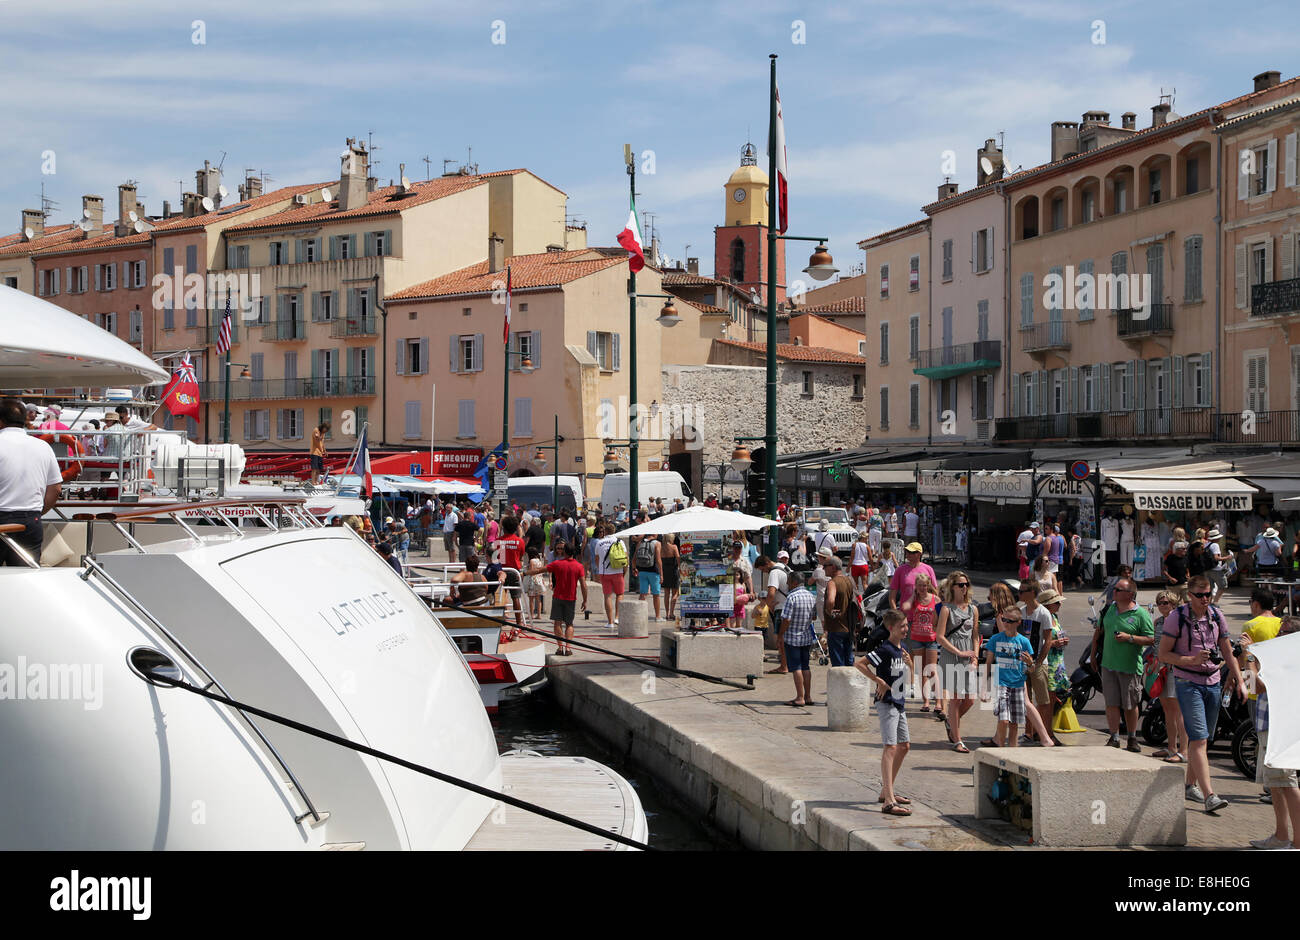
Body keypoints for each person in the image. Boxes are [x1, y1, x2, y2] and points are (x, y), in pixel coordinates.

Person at [1158, 575, 1248, 815]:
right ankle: (1209, 795)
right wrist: (1192, 660)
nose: (1205, 599)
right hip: (1188, 682)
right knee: (1198, 739)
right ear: (1190, 595)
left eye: (1208, 594)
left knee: (1204, 740)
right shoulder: (1177, 618)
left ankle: (1189, 785)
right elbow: (1163, 655)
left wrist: (1240, 681)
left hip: (1214, 682)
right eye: (1200, 595)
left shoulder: (1216, 615)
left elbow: (1228, 652)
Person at [1241, 616, 1300, 848]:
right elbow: (1252, 687)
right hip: (1270, 725)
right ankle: (1281, 836)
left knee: (1286, 781)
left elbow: (1255, 686)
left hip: (1280, 728)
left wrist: (1249, 658)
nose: (1276, 637)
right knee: (1275, 782)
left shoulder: (1289, 659)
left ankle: (1296, 842)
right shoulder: (1284, 657)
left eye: (1282, 632)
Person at [859, 609, 913, 816]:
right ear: (891, 628)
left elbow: (909, 680)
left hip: (899, 702)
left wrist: (909, 664)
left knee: (904, 746)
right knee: (890, 747)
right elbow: (860, 664)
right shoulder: (885, 649)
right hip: (887, 703)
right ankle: (888, 801)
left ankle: (886, 790)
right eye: (902, 626)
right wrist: (878, 680)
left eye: (906, 625)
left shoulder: (902, 649)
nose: (906, 629)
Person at [1092, 576, 1153, 753]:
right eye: (1114, 589)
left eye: (1118, 590)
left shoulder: (1140, 614)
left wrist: (1130, 638)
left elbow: (1151, 639)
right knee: (1111, 702)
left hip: (1129, 667)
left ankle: (1132, 737)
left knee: (1130, 704)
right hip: (1108, 664)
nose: (1114, 592)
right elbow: (1099, 631)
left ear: (1129, 594)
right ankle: (1114, 737)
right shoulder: (1110, 609)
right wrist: (1093, 655)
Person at [0, 398, 63, 566]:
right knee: (26, 576)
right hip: (30, 519)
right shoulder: (42, 446)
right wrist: (37, 512)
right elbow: (56, 488)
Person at [980, 606, 1035, 748]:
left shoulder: (1023, 642)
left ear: (1018, 622)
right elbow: (988, 663)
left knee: (1014, 724)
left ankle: (1012, 753)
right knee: (1003, 720)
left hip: (1018, 685)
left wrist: (1030, 663)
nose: (1006, 623)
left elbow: (1032, 668)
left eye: (1010, 621)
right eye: (1004, 619)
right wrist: (983, 687)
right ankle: (1002, 750)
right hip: (1001, 684)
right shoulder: (995, 639)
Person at [935, 571, 978, 752]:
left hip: (967, 656)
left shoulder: (973, 609)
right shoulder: (946, 609)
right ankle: (957, 739)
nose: (964, 587)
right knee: (955, 698)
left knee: (969, 699)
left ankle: (952, 725)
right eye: (960, 584)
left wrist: (975, 656)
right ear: (952, 587)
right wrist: (958, 651)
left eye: (966, 584)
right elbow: (939, 637)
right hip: (951, 655)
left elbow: (975, 636)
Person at [1144, 591, 1188, 764]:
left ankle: (1183, 750)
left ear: (1174, 604)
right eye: (1160, 603)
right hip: (1160, 669)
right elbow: (1156, 646)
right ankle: (1171, 747)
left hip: (1174, 669)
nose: (1163, 605)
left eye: (1166, 602)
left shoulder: (1179, 621)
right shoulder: (1158, 622)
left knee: (1178, 711)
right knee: (1167, 710)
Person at [1019, 578, 1055, 744]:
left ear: (1032, 593)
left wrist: (1038, 662)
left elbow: (1048, 640)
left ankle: (1043, 733)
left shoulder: (1043, 613)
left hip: (1039, 662)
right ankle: (1028, 731)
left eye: (1022, 591)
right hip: (1023, 661)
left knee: (1043, 700)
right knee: (1026, 700)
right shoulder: (1021, 611)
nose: (1019, 594)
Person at [1036, 589, 1071, 745]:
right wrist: (1055, 643)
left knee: (1052, 699)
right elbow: (1039, 642)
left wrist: (1062, 641)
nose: (1060, 604)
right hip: (1048, 662)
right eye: (1057, 602)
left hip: (1057, 662)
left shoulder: (1054, 617)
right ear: (1049, 605)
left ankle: (1043, 730)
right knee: (1047, 700)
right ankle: (1046, 732)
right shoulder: (1044, 618)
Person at [778, 570, 818, 707]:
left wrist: (780, 634)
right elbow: (814, 617)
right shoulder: (810, 596)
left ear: (794, 582)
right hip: (806, 637)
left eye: (789, 581)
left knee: (796, 668)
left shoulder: (792, 597)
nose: (787, 583)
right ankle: (808, 696)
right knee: (806, 666)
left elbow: (786, 619)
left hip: (792, 637)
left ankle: (800, 697)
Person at [901, 572, 939, 711]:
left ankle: (939, 702)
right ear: (916, 586)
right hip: (917, 638)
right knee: (922, 671)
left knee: (932, 670)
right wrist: (913, 595)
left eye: (925, 585)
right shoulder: (915, 599)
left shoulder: (935, 599)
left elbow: (942, 615)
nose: (923, 588)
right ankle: (926, 702)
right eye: (920, 586)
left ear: (928, 585)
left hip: (931, 638)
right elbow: (904, 607)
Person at [546, 541, 588, 656]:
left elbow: (540, 570)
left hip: (558, 597)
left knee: (557, 623)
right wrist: (585, 600)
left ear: (564, 552)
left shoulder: (557, 563)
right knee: (569, 624)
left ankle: (560, 648)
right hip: (571, 598)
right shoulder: (579, 566)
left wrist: (525, 573)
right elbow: (584, 585)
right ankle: (568, 648)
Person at [757, 552, 791, 675]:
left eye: (763, 569)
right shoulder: (784, 567)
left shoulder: (773, 572)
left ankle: (784, 666)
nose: (764, 572)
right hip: (790, 606)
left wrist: (768, 605)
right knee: (788, 638)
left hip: (780, 608)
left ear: (766, 564)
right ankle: (790, 664)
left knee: (781, 639)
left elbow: (771, 593)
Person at [493, 515, 528, 631]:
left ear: (504, 528)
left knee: (499, 597)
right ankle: (519, 623)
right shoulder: (520, 541)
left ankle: (498, 621)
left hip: (501, 572)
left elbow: (496, 557)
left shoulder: (498, 541)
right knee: (516, 597)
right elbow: (521, 555)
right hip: (514, 571)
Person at [821, 554, 856, 667]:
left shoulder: (832, 582)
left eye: (825, 566)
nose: (823, 568)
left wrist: (829, 612)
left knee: (838, 665)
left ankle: (840, 684)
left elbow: (831, 600)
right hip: (848, 627)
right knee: (849, 662)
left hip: (836, 628)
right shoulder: (849, 581)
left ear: (833, 567)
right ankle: (849, 684)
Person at [593, 523, 627, 627]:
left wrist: (600, 570)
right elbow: (625, 558)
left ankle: (610, 622)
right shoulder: (620, 542)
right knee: (619, 594)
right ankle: (617, 617)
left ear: (605, 531)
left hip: (604, 573)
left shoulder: (599, 543)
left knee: (607, 596)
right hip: (618, 571)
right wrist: (624, 572)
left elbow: (597, 559)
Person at [888, 542, 937, 611]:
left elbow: (935, 593)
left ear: (919, 554)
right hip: (906, 615)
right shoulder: (900, 570)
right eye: (907, 551)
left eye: (912, 552)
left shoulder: (928, 569)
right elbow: (892, 596)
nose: (908, 554)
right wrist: (897, 615)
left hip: (925, 614)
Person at [633, 531, 663, 621]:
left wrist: (634, 569)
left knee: (643, 593)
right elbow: (658, 560)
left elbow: (634, 558)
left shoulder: (640, 542)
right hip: (654, 571)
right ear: (655, 534)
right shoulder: (657, 543)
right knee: (656, 594)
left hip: (642, 571)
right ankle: (658, 616)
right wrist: (661, 574)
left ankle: (640, 614)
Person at [1204, 528, 1227, 604]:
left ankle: (1209, 603)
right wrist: (1227, 557)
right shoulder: (1215, 545)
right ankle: (1215, 602)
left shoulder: (1206, 544)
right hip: (1216, 569)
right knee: (1223, 586)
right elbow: (1216, 558)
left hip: (1207, 569)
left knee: (1210, 588)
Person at [523, 547, 547, 619]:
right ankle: (539, 615)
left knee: (531, 599)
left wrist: (526, 571)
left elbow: (531, 571)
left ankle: (531, 614)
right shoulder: (539, 561)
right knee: (538, 599)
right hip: (539, 580)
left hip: (533, 581)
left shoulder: (531, 561)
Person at [661, 534, 680, 622]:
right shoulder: (674, 547)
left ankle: (667, 613)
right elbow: (678, 560)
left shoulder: (661, 547)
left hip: (665, 571)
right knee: (675, 593)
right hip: (673, 571)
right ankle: (672, 613)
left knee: (666, 594)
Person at [850, 528, 873, 594]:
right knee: (865, 583)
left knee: (855, 584)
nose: (867, 539)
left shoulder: (854, 545)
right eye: (866, 538)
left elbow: (852, 557)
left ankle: (857, 599)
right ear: (863, 538)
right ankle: (866, 597)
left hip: (855, 565)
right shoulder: (867, 546)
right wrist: (872, 566)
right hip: (864, 565)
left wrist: (848, 567)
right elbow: (870, 558)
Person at [309, 421, 329, 486]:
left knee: (318, 469)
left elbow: (322, 443)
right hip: (314, 452)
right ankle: (313, 482)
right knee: (314, 468)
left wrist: (325, 451)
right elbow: (316, 437)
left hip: (320, 453)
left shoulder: (323, 433)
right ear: (323, 427)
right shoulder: (316, 430)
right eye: (325, 430)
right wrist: (319, 437)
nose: (325, 431)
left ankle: (316, 481)